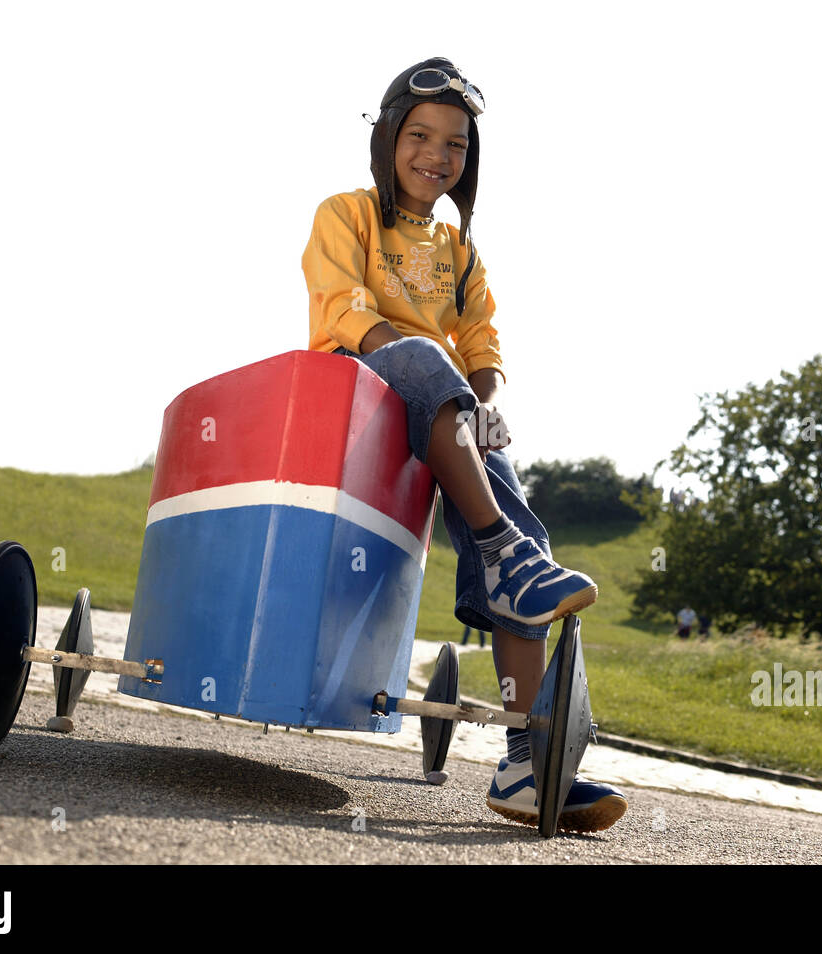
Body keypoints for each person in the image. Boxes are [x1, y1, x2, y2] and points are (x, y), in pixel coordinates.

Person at [301, 57, 626, 834]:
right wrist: (425, 361)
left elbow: (482, 342)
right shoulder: (344, 212)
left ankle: (523, 760)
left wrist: (484, 404)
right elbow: (341, 304)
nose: (436, 155)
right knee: (421, 359)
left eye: (455, 144)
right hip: (355, 388)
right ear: (386, 140)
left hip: (438, 404)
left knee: (527, 528)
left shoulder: (461, 251)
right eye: (419, 136)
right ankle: (500, 550)